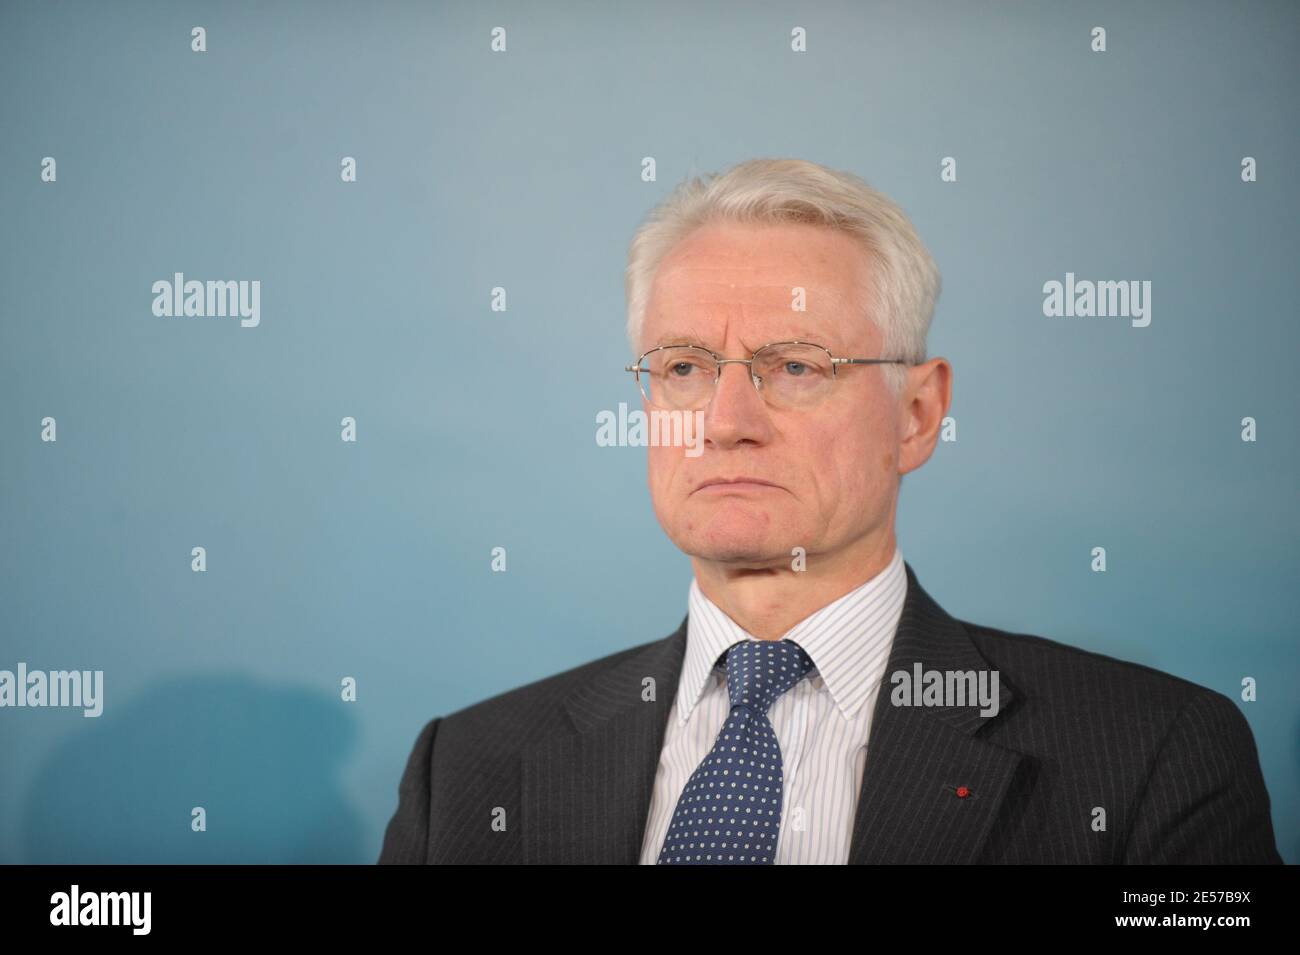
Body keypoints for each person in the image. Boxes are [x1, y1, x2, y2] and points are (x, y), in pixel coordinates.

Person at [378, 158, 1282, 864]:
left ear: (918, 414)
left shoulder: (1150, 756)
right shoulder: (468, 768)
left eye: (797, 366)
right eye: (685, 367)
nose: (726, 424)